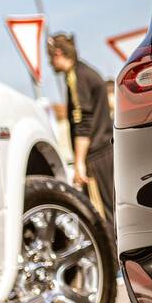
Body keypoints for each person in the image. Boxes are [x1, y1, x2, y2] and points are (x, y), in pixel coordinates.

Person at [48, 32, 115, 230]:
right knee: (112, 210)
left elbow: (83, 122)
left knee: (101, 217)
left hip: (97, 155)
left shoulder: (77, 76)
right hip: (106, 149)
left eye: (50, 57)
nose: (50, 63)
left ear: (59, 53)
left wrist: (79, 163)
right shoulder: (85, 72)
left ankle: (113, 259)